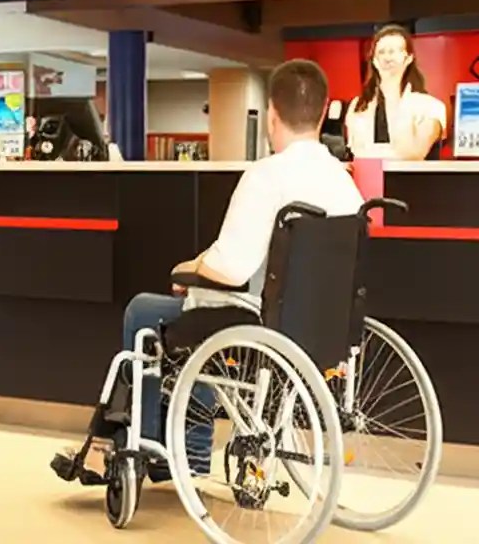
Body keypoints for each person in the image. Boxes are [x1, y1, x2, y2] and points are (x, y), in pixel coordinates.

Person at [59, 58, 364, 481]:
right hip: (321, 324)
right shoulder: (345, 182)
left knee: (148, 312)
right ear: (326, 108)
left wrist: (190, 267)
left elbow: (230, 268)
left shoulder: (265, 175)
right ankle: (192, 450)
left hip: (260, 321)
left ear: (272, 114)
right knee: (203, 309)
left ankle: (150, 448)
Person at [345, 23, 447, 160]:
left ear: (409, 57)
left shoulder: (431, 107)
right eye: (382, 52)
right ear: (374, 60)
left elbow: (413, 155)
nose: (387, 58)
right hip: (370, 179)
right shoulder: (358, 106)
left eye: (393, 51)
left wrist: (392, 90)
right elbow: (359, 154)